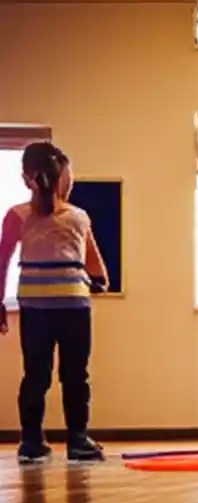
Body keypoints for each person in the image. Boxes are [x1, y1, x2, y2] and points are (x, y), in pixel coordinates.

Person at [0, 142, 108, 464]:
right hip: (74, 305)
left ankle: (31, 442)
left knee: (36, 373)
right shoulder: (79, 216)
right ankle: (78, 440)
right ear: (65, 179)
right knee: (76, 374)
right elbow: (94, 261)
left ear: (26, 177)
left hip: (34, 308)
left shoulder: (17, 215)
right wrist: (100, 281)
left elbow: (2, 261)